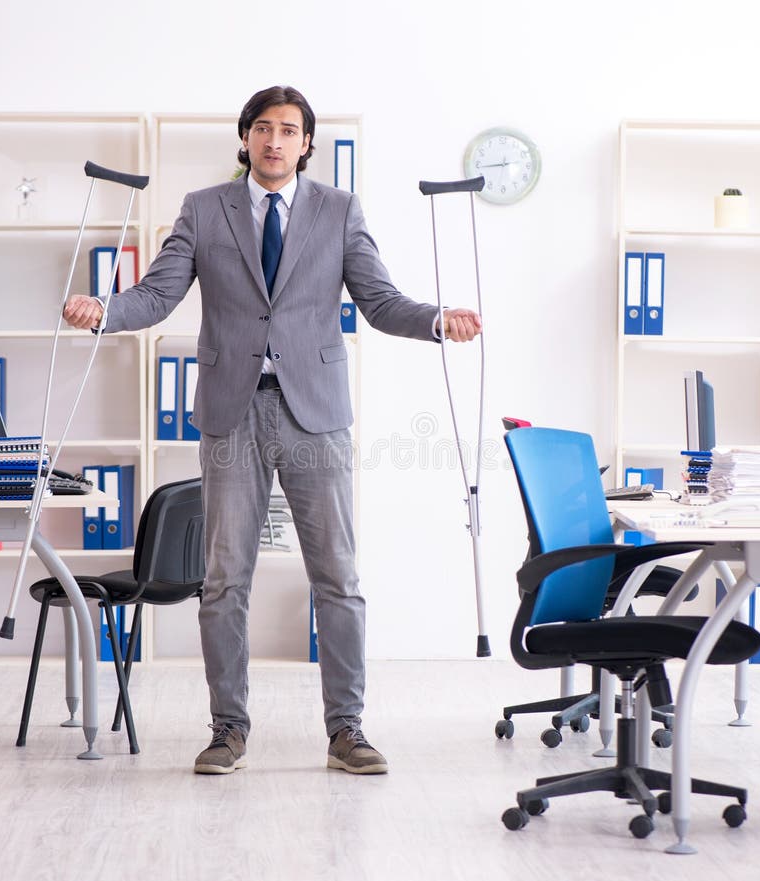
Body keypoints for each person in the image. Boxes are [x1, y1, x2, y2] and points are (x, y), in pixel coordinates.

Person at [64, 85, 482, 776]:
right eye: (264, 127)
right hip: (233, 411)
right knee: (225, 578)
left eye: (289, 130)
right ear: (247, 136)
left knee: (338, 576)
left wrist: (437, 320)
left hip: (315, 411)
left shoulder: (339, 210)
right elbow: (159, 293)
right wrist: (104, 310)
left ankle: (347, 727)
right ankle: (227, 727)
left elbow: (378, 301)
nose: (275, 140)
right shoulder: (204, 209)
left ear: (307, 143)